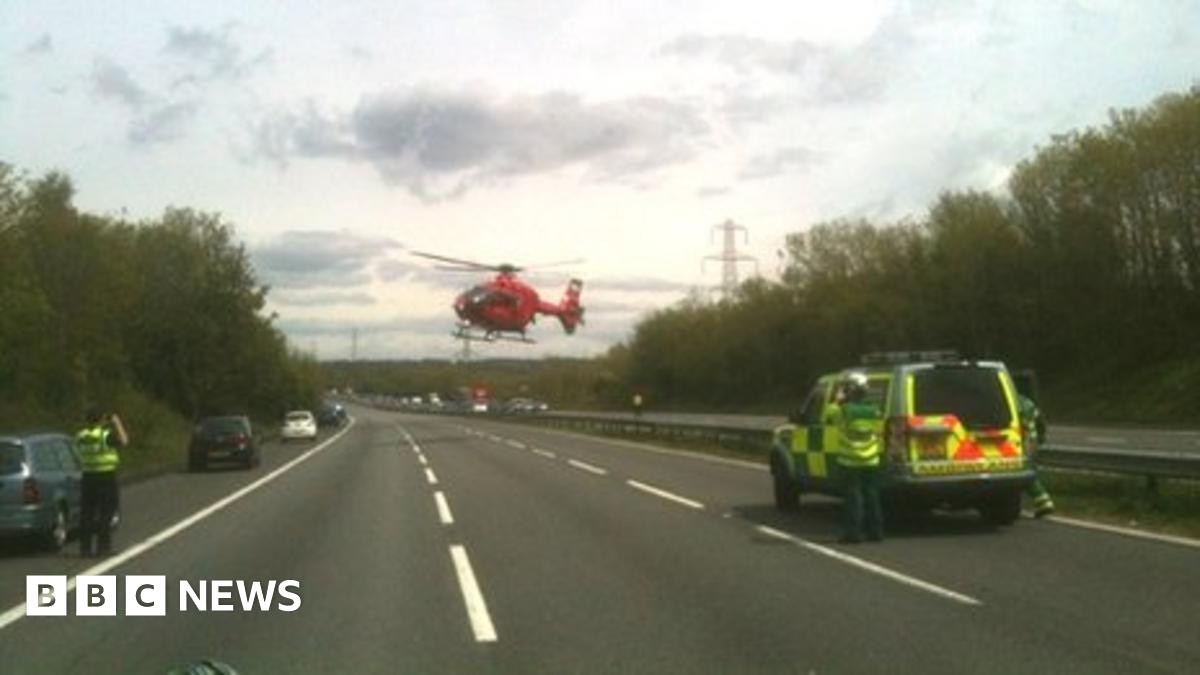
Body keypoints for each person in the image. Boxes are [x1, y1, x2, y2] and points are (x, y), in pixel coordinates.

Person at [826, 372, 884, 543]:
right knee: (872, 496)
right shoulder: (875, 410)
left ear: (850, 390)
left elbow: (830, 413)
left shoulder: (843, 411)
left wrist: (838, 399)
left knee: (854, 498)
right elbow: (877, 430)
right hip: (872, 459)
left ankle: (853, 534)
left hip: (850, 461)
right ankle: (876, 532)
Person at [76, 407, 128, 557]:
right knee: (107, 512)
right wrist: (116, 422)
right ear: (101, 420)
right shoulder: (105, 436)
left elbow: (78, 453)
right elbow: (124, 441)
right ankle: (103, 547)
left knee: (87, 513)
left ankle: (85, 548)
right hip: (106, 476)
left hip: (87, 476)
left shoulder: (81, 436)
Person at [1019, 394, 1055, 518]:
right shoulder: (1028, 402)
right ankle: (1042, 502)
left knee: (1026, 473)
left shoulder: (1010, 402)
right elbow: (1040, 422)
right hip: (1032, 441)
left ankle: (1044, 503)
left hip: (1022, 443)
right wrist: (1041, 437)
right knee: (1030, 470)